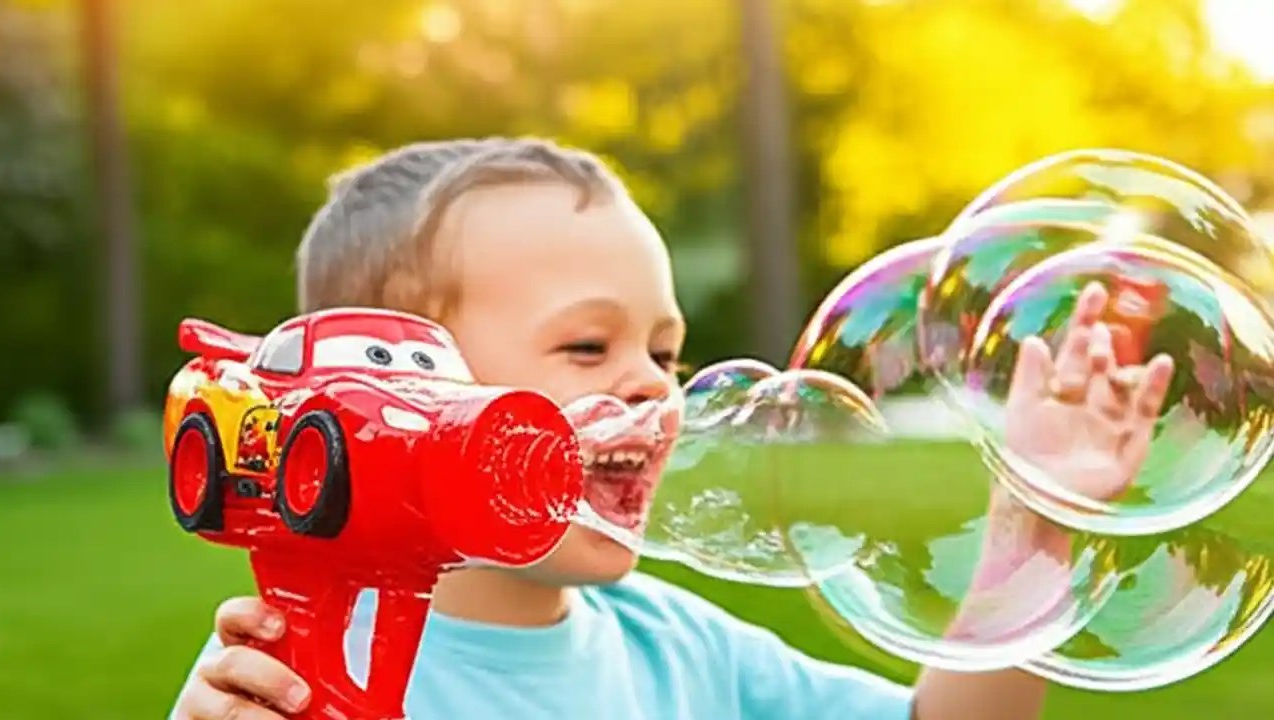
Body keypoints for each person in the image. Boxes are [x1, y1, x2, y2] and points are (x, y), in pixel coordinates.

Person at [169, 137, 1172, 720]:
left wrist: (1042, 503)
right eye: (585, 348)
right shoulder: (296, 677)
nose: (652, 388)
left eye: (664, 351)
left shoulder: (678, 645)